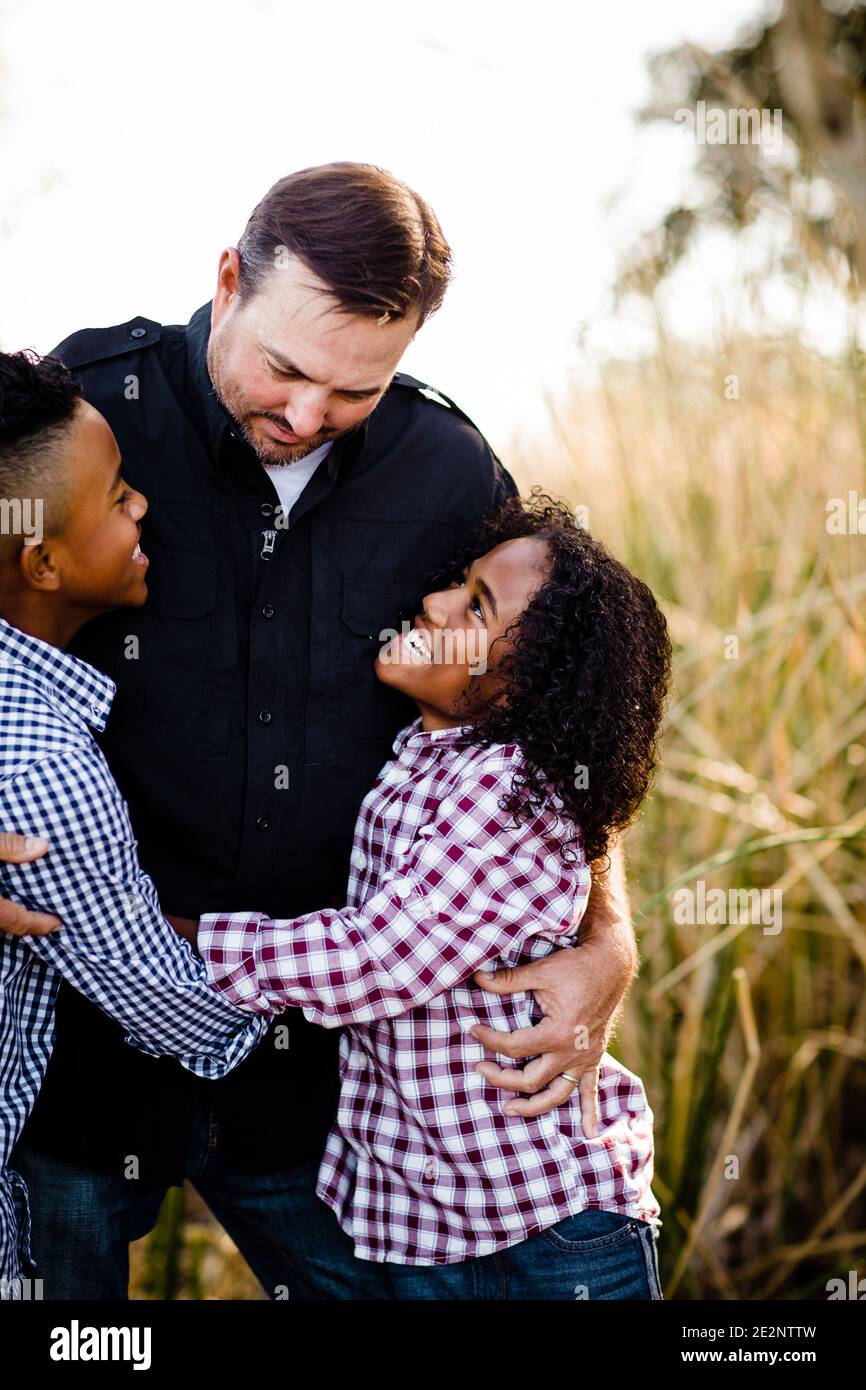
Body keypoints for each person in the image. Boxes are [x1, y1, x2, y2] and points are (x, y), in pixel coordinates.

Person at [4, 163, 640, 1300]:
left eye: (353, 392)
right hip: (79, 1061)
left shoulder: (445, 469)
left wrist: (610, 933)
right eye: (283, 368)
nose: (303, 419)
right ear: (229, 280)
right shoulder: (89, 411)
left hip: (327, 1095)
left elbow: (554, 713)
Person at [173, 492, 670, 1299]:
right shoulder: (425, 758)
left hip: (545, 1230)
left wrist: (181, 935)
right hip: (429, 1224)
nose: (434, 600)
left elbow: (378, 960)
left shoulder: (510, 793)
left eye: (476, 606)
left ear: (527, 684)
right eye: (458, 582)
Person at [0, 349, 267, 1299]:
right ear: (43, 562)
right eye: (117, 499)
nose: (143, 506)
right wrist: (368, 962)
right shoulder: (43, 765)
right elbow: (165, 996)